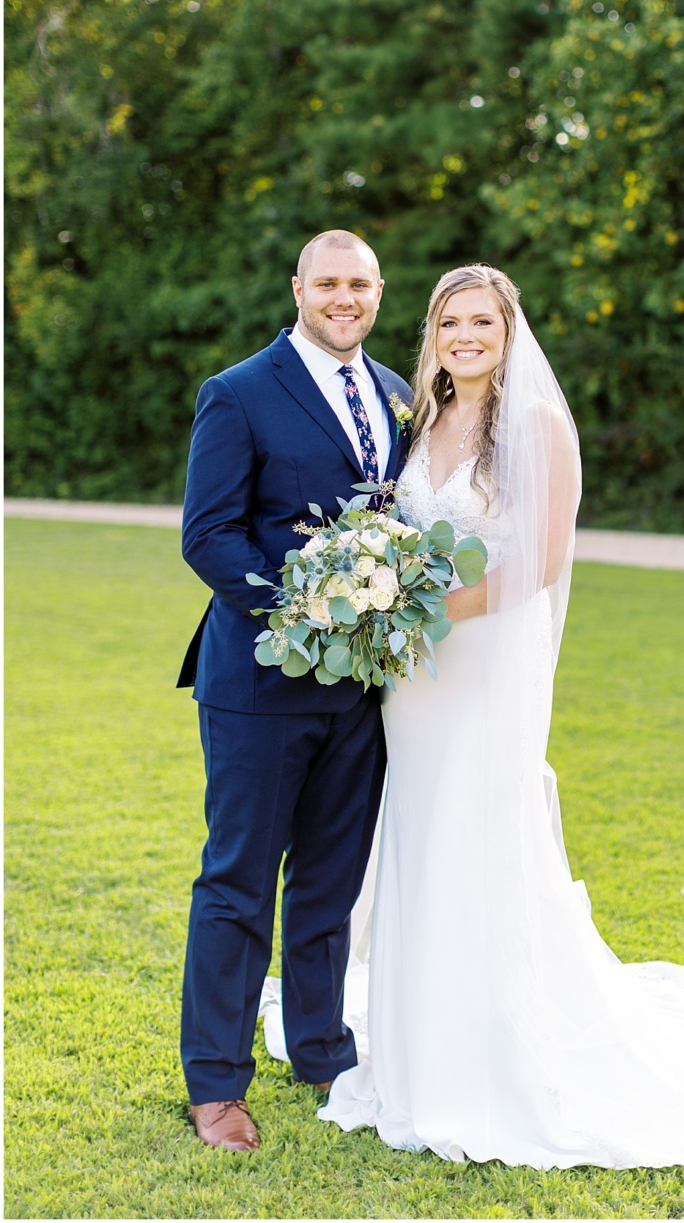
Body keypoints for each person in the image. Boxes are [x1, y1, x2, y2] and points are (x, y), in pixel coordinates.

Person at [265, 261, 684, 1169]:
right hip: (417, 679)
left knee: (481, 830)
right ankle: (422, 1039)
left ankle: (495, 1057)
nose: (465, 336)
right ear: (430, 333)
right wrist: (381, 596)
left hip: (483, 664)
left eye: (483, 322)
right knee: (422, 835)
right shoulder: (422, 419)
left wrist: (416, 610)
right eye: (451, 322)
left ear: (509, 335)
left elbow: (538, 566)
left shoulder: (537, 424)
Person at [177, 229, 413, 1152]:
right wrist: (307, 610)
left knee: (328, 884)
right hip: (258, 683)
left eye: (359, 283)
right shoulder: (236, 393)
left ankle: (322, 1050)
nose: (343, 297)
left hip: (361, 692)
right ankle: (217, 1085)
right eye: (328, 283)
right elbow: (209, 534)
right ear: (299, 289)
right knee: (237, 883)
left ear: (378, 291)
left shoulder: (399, 396)